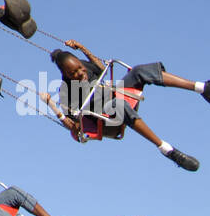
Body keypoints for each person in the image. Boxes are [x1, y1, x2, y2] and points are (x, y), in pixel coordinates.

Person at [44, 40, 203, 172]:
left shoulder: (84, 66)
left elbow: (101, 69)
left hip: (116, 98)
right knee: (117, 105)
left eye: (80, 67)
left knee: (138, 71)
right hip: (107, 121)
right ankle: (166, 149)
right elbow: (74, 127)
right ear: (65, 75)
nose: (81, 73)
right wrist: (51, 104)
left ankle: (201, 88)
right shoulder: (66, 92)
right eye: (74, 73)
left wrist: (83, 49)